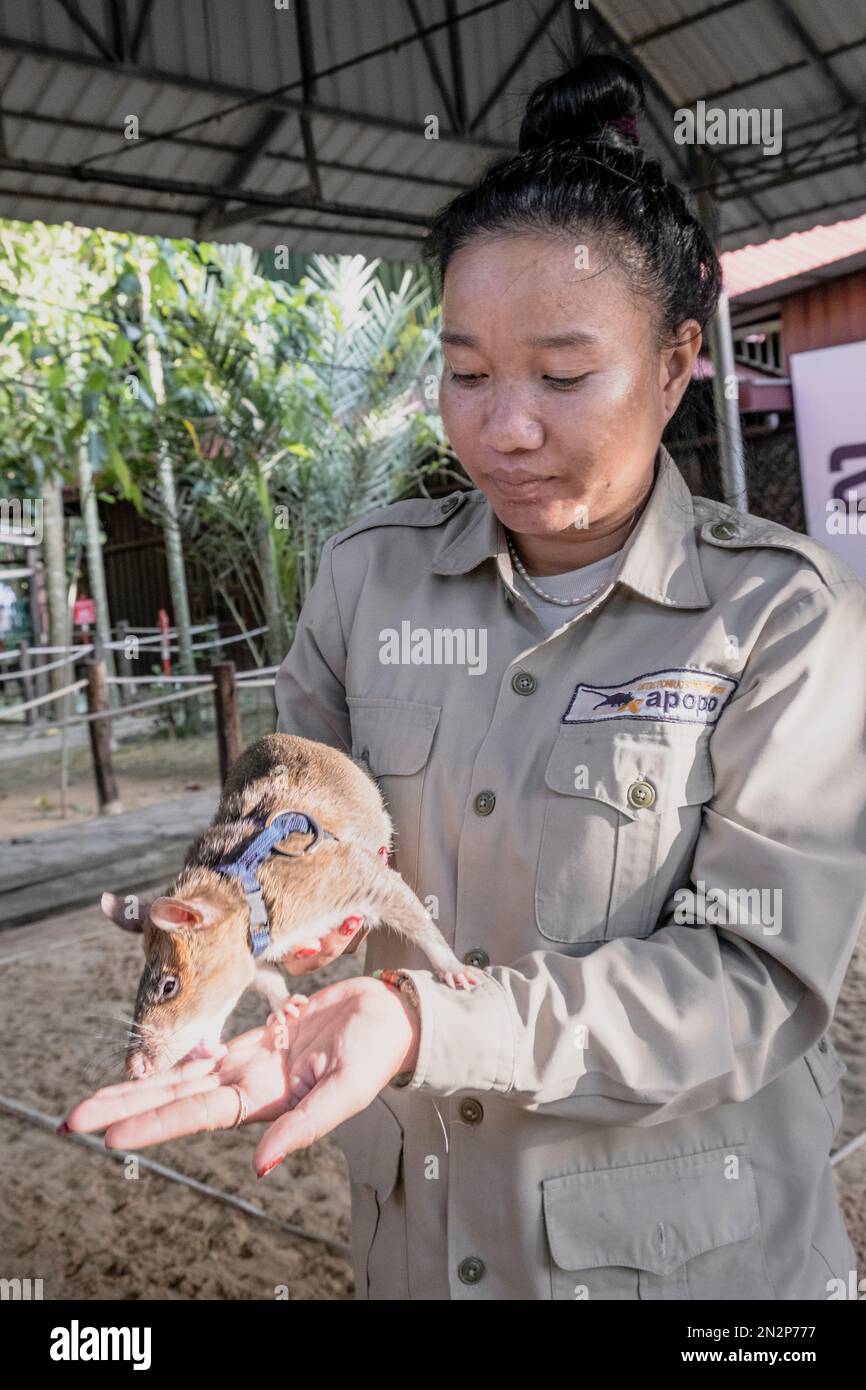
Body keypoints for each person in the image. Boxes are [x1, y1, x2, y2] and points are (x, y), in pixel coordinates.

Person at [62, 53, 866, 1302]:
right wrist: (258, 941)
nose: (502, 427)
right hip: (421, 1248)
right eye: (466, 371)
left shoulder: (776, 617)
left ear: (672, 365)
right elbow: (296, 846)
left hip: (687, 1270)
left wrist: (429, 1021)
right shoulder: (364, 585)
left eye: (559, 375)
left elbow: (755, 980)